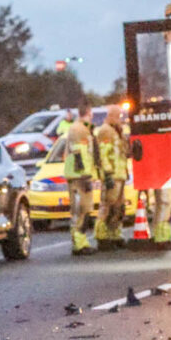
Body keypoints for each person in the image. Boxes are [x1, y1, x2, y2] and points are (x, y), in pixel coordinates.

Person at [63, 105, 97, 256]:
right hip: (79, 177)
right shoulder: (78, 130)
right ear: (87, 113)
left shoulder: (82, 128)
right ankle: (79, 243)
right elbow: (79, 154)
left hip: (80, 175)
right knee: (80, 209)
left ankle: (81, 241)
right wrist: (84, 175)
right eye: (91, 114)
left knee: (85, 209)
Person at [93, 105, 129, 251]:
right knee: (107, 205)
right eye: (119, 116)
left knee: (118, 208)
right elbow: (103, 153)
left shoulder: (117, 130)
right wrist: (107, 173)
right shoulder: (106, 131)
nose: (121, 119)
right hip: (112, 175)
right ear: (111, 116)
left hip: (120, 174)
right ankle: (102, 236)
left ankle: (115, 234)